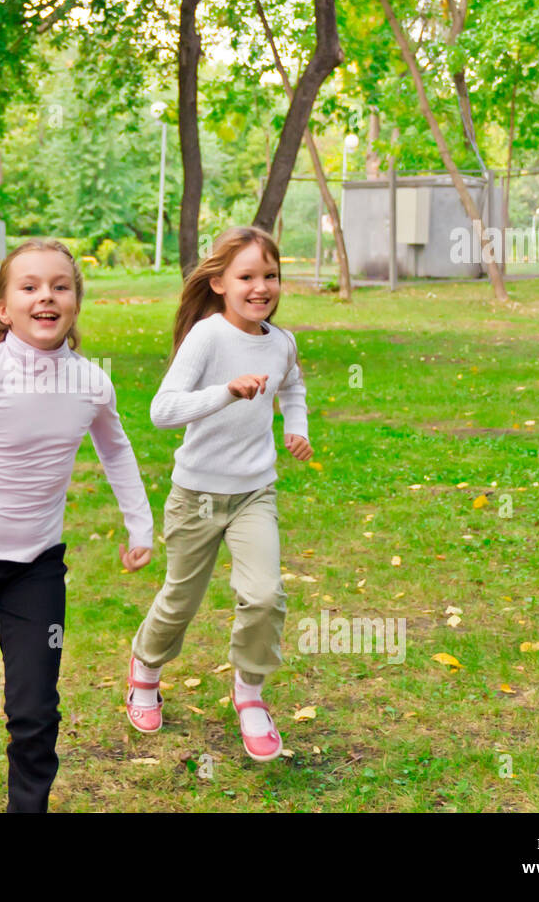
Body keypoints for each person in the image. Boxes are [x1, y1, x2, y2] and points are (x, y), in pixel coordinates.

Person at [0, 238, 154, 810]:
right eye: (30, 286)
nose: (47, 296)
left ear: (75, 303)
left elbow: (116, 452)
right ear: (4, 308)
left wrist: (140, 526)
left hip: (37, 568)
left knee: (36, 707)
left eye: (60, 286)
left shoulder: (92, 382)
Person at [126, 226, 312, 762]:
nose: (261, 287)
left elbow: (292, 385)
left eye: (270, 276)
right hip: (198, 494)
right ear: (219, 283)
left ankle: (249, 694)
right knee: (181, 599)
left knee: (264, 594)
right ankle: (145, 667)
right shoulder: (207, 336)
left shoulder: (281, 342)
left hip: (255, 492)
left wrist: (295, 427)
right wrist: (224, 392)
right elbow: (162, 412)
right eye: (247, 276)